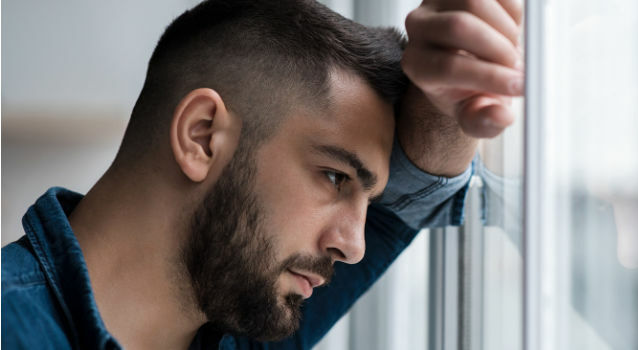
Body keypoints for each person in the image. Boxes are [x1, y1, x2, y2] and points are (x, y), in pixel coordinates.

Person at [1, 0, 523, 349]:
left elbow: (415, 186)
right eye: (336, 177)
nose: (355, 246)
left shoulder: (242, 307)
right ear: (202, 137)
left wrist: (451, 88)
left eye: (367, 197)